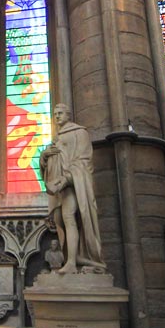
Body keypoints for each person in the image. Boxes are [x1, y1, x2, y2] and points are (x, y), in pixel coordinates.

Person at [39, 104, 104, 273]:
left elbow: (84, 160)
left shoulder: (79, 132)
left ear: (69, 115)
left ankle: (72, 263)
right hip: (58, 188)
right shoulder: (57, 136)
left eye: (60, 113)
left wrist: (66, 178)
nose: (57, 116)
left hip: (72, 185)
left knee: (69, 217)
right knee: (60, 220)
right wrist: (44, 156)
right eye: (55, 114)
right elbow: (51, 162)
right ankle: (74, 258)